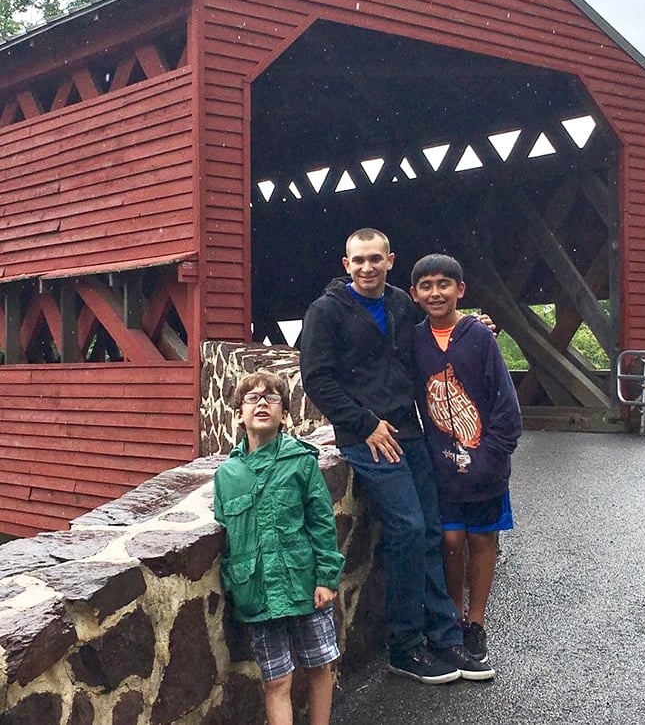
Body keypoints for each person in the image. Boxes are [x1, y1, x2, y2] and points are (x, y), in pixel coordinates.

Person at [300, 228, 495, 684]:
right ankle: (405, 648)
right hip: (366, 437)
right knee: (408, 529)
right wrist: (365, 423)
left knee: (430, 529)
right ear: (345, 265)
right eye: (358, 261)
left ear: (390, 260)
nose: (367, 267)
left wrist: (473, 326)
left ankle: (445, 636)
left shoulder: (400, 305)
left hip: (408, 431)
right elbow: (317, 378)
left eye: (375, 259)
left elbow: (436, 331)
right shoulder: (325, 312)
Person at [213, 370, 345, 725]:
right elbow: (227, 534)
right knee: (277, 680)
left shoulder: (302, 461)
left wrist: (326, 578)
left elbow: (321, 523)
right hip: (257, 593)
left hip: (304, 584)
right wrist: (234, 585)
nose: (261, 404)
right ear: (239, 414)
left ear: (284, 414)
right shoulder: (227, 475)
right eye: (252, 399)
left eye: (271, 399)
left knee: (320, 665)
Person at [410, 253, 522, 665]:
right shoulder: (414, 339)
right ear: (414, 295)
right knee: (451, 539)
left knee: (481, 538)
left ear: (461, 290)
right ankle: (450, 619)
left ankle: (476, 624)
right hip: (441, 463)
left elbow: (506, 405)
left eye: (444, 284)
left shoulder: (480, 337)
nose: (435, 292)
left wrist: (494, 454)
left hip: (486, 463)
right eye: (426, 285)